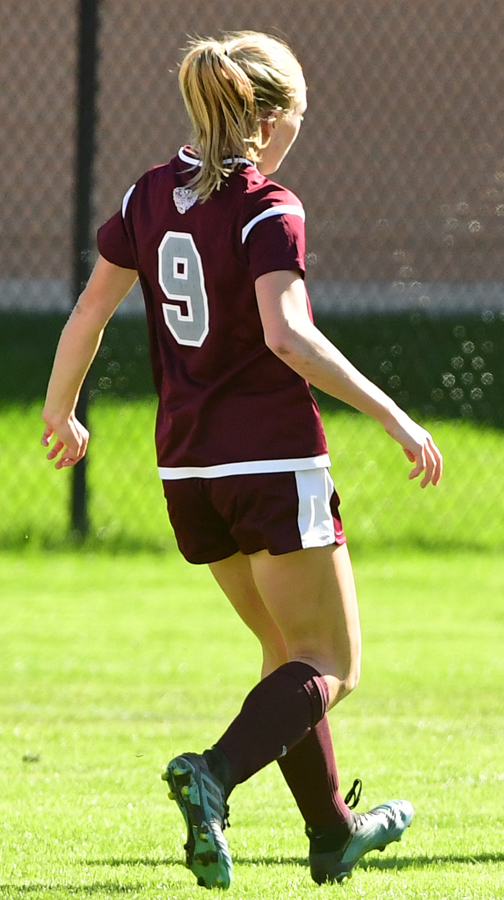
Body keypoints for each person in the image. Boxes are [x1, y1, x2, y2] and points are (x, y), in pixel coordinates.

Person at [40, 32, 443, 889]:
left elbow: (88, 312)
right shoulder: (268, 204)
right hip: (271, 462)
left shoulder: (149, 195)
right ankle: (212, 776)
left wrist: (61, 410)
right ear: (268, 119)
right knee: (333, 665)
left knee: (282, 655)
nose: (299, 131)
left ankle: (333, 833)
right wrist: (395, 416)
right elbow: (287, 336)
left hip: (187, 470)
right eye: (297, 115)